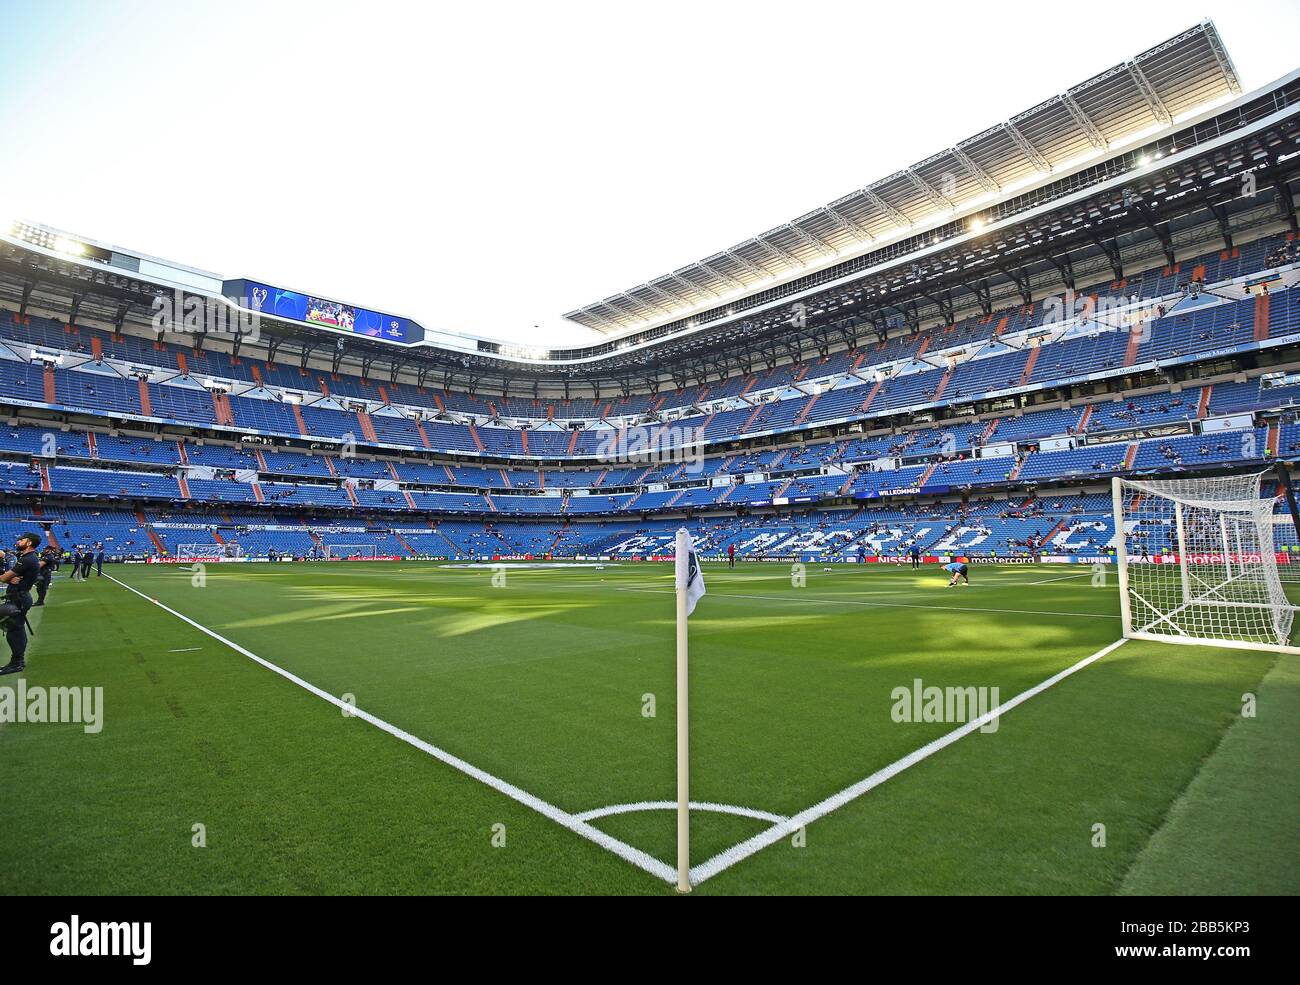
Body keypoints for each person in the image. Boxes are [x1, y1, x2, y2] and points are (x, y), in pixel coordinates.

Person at [0, 531, 43, 675]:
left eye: (21, 540)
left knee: (14, 631)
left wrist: (7, 577)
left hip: (19, 598)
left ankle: (16, 663)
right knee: (16, 629)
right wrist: (8, 578)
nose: (18, 542)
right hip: (19, 597)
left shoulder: (27, 559)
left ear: (29, 543)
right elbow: (7, 577)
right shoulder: (26, 558)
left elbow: (5, 577)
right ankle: (18, 661)